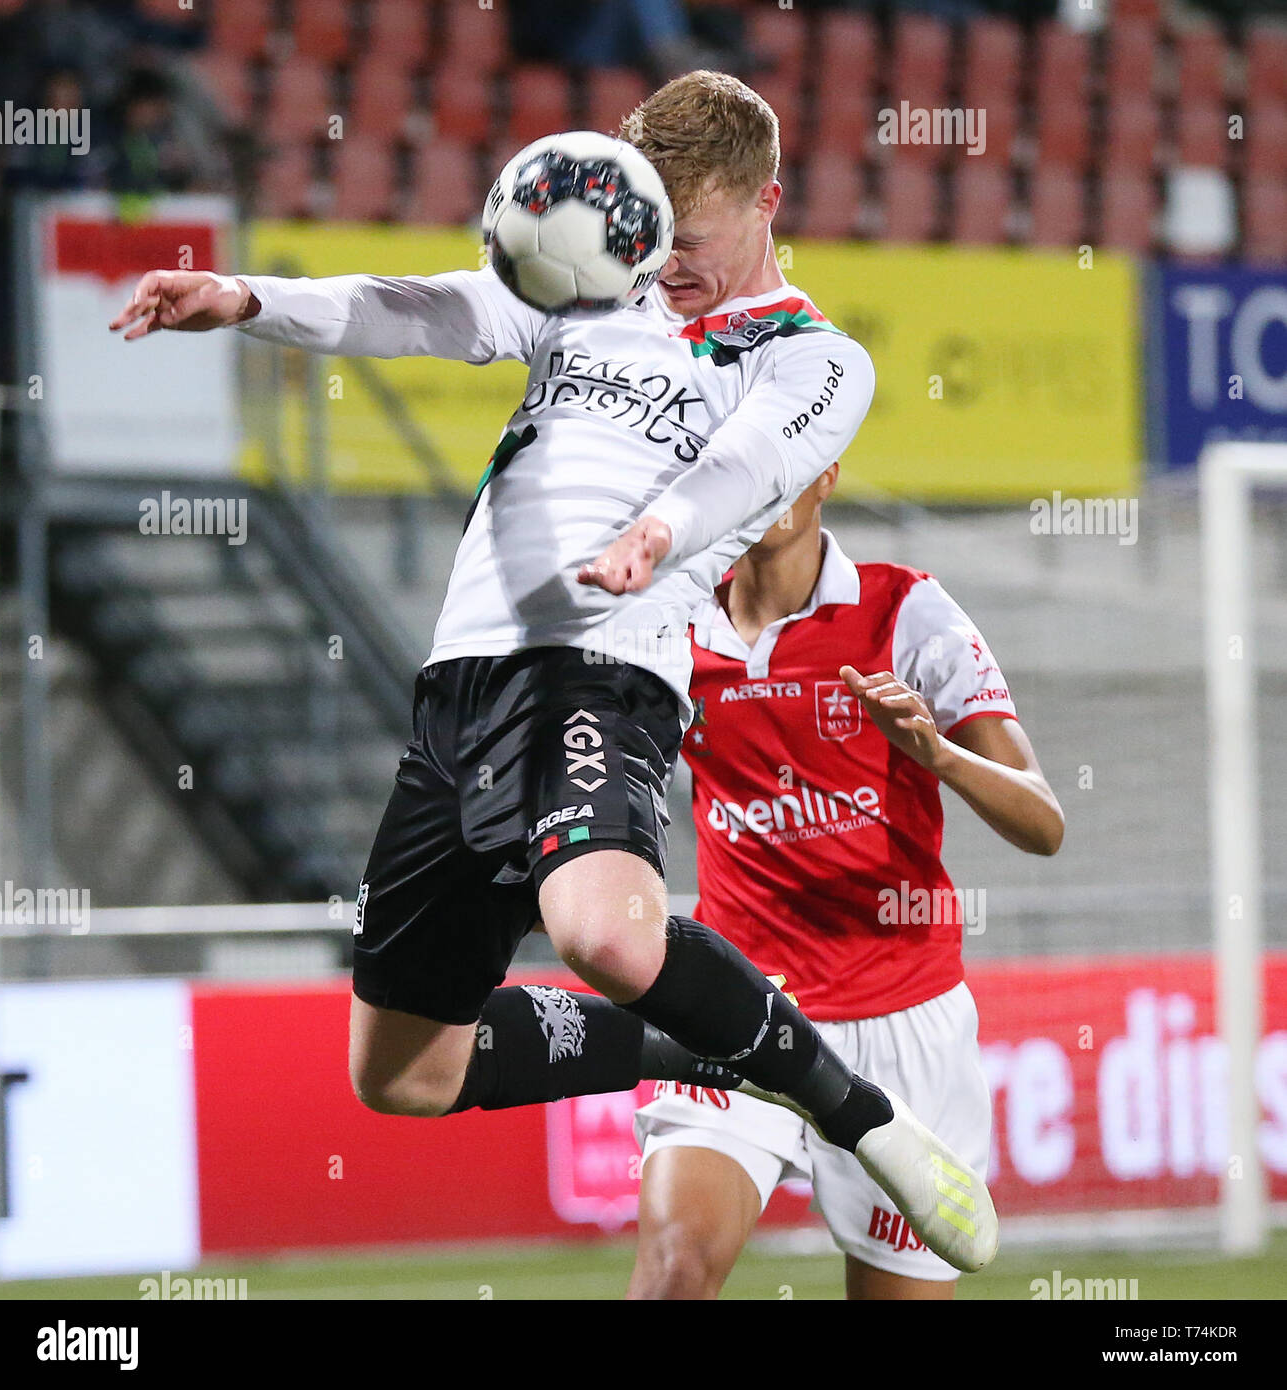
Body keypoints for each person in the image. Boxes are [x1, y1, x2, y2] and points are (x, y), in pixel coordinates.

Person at [109, 70, 997, 1273]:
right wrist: (242, 296)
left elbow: (746, 465)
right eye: (651, 229)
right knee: (402, 1072)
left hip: (603, 665)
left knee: (607, 937)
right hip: (459, 686)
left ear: (767, 202)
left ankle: (859, 1115)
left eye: (692, 236)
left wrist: (657, 535)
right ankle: (699, 1049)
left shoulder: (816, 359)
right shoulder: (592, 294)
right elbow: (419, 311)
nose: (666, 259)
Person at [627, 464, 1064, 1299]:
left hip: (907, 1031)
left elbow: (1043, 822)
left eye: (784, 463)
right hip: (742, 1010)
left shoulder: (906, 612)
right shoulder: (670, 620)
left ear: (826, 471)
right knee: (674, 1272)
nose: (761, 486)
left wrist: (937, 753)